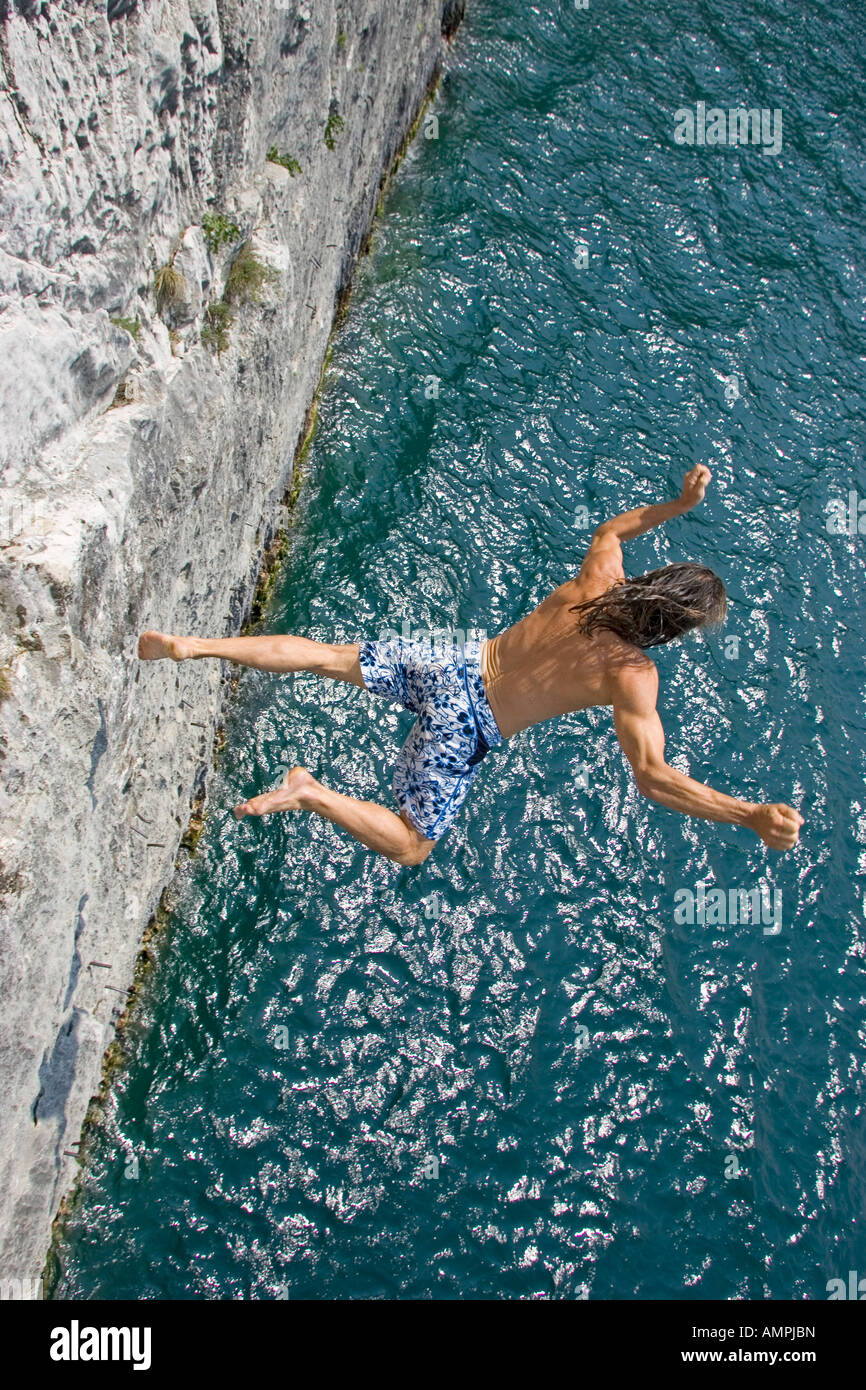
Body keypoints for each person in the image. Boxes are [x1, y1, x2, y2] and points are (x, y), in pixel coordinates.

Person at [138, 465, 803, 865]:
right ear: (674, 630)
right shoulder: (633, 674)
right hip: (467, 726)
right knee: (410, 844)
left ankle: (194, 647)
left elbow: (616, 527)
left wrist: (680, 505)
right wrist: (744, 814)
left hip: (454, 658)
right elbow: (654, 778)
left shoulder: (597, 577)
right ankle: (308, 790)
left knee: (326, 657)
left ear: (656, 581)